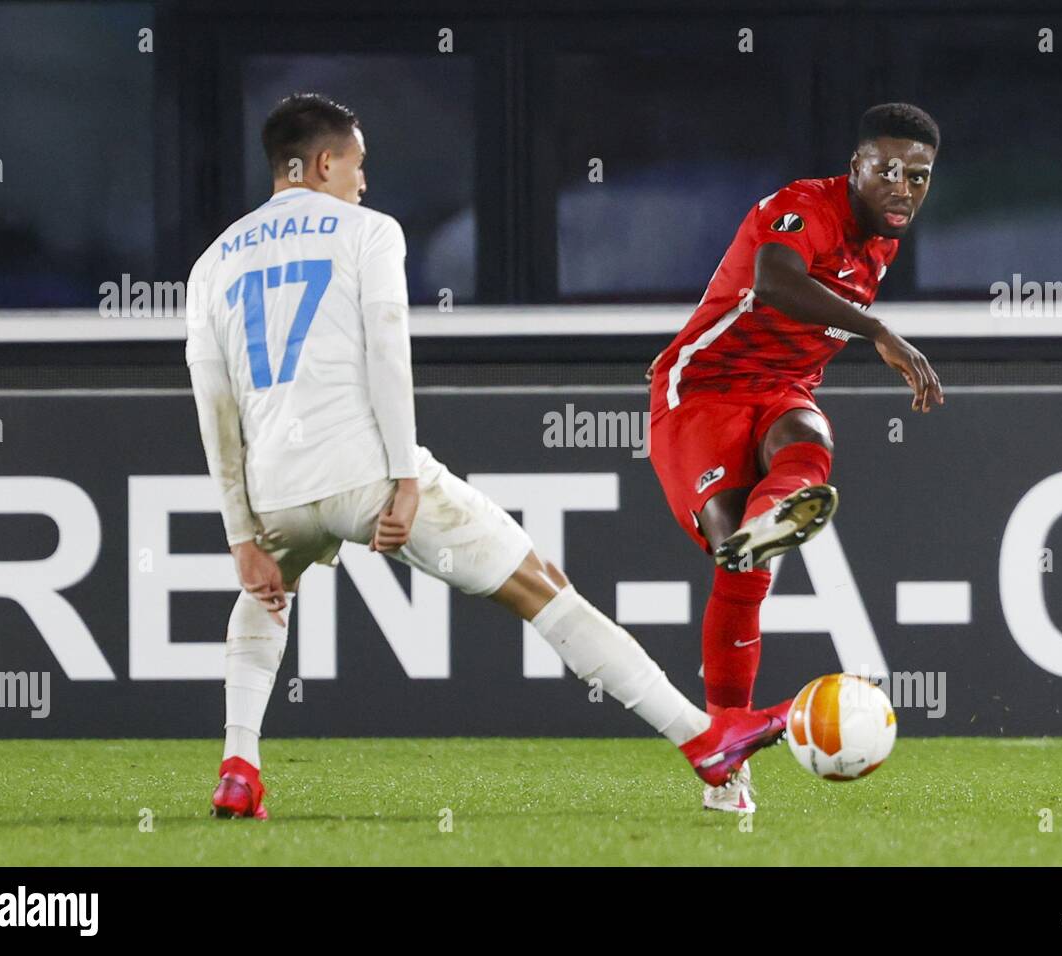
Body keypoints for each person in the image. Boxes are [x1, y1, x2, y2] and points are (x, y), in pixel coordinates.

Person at [185, 93, 787, 819]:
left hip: (275, 486)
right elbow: (386, 352)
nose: (363, 181)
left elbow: (214, 407)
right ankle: (702, 741)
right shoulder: (368, 231)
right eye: (357, 164)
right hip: (367, 473)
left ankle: (238, 768)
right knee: (539, 583)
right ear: (321, 163)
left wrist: (242, 538)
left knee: (266, 596)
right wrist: (404, 480)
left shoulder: (211, 264)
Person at [646, 103, 945, 812]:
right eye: (890, 172)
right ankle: (728, 734)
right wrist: (877, 330)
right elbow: (775, 281)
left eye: (921, 177)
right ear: (856, 169)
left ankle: (779, 508)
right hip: (702, 390)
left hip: (781, 392)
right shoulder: (801, 206)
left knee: (808, 437)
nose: (904, 187)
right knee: (737, 558)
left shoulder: (882, 243)